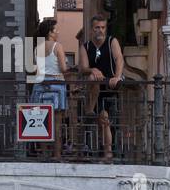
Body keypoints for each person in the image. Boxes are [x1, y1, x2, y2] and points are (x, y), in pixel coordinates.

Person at [80, 15, 125, 161]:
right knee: (92, 77)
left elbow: (119, 59)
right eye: (97, 27)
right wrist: (92, 69)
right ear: (92, 29)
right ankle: (90, 109)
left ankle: (108, 153)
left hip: (109, 86)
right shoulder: (85, 46)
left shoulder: (112, 41)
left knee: (105, 121)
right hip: (94, 88)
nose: (100, 30)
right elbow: (83, 68)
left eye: (103, 27)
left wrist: (117, 77)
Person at [29, 18, 69, 160]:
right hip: (56, 85)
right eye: (56, 29)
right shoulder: (57, 46)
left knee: (42, 122)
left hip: (40, 86)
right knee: (57, 123)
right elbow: (64, 69)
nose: (58, 32)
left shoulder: (36, 48)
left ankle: (44, 153)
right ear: (50, 32)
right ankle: (57, 155)